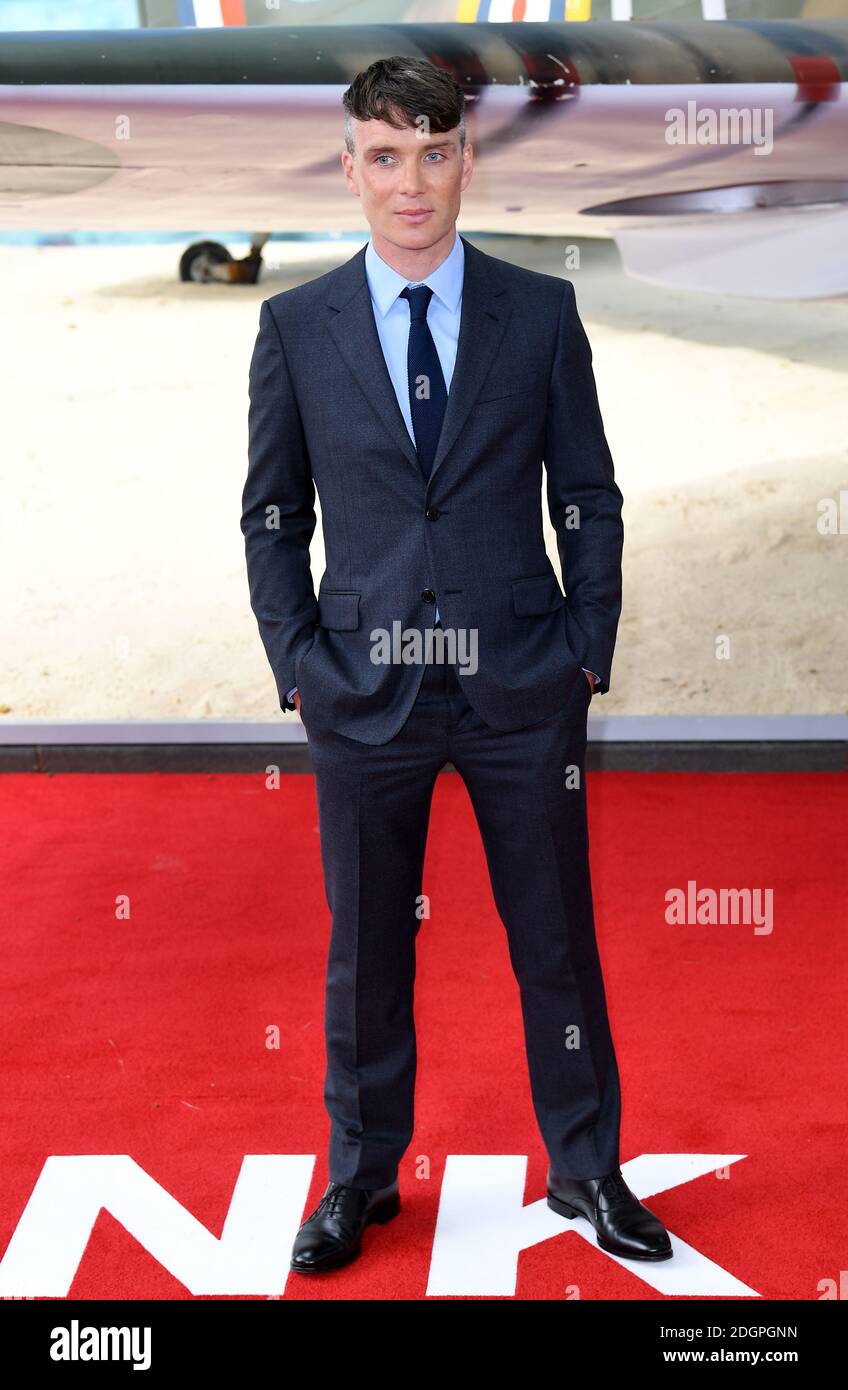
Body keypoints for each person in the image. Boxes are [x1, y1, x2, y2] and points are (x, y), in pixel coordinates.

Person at [241, 55, 672, 1274]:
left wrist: (584, 649)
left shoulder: (539, 314)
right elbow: (273, 515)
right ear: (350, 170)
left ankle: (585, 1169)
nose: (412, 182)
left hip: (521, 688)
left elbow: (586, 495)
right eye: (385, 156)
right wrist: (298, 665)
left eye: (434, 152)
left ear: (467, 160)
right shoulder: (294, 326)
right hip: (361, 693)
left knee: (555, 939)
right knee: (365, 949)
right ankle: (361, 1179)